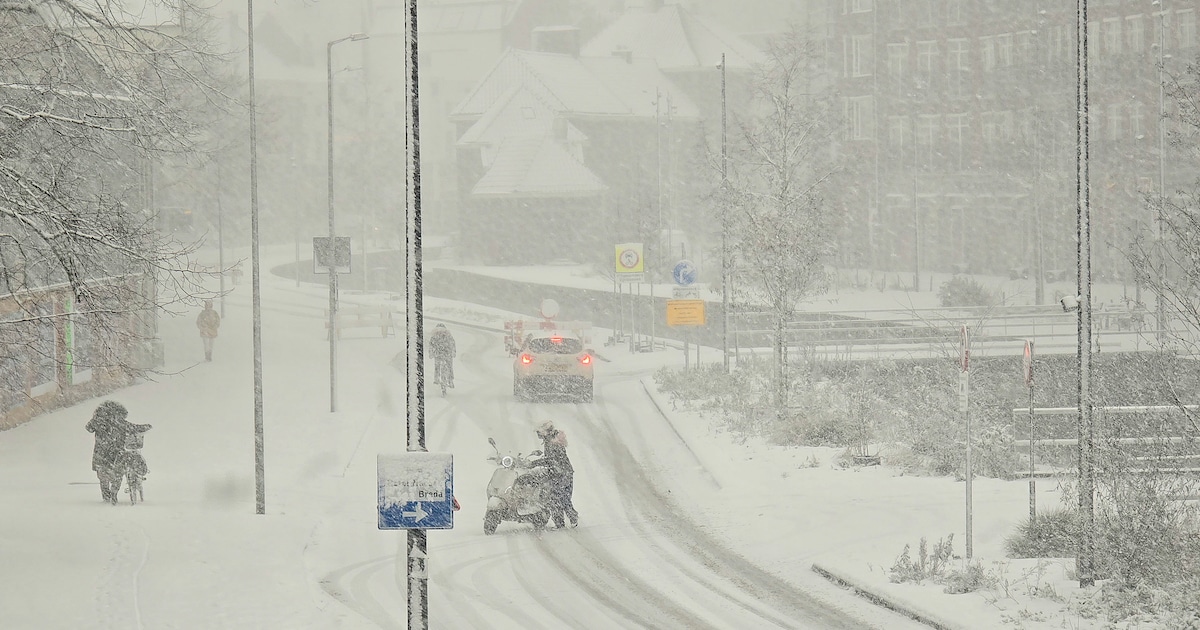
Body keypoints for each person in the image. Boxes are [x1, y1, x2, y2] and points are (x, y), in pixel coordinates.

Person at [85, 401, 150, 505]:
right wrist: (146, 427)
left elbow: (88, 428)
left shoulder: (98, 421)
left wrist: (97, 420)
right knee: (116, 474)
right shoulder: (118, 422)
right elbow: (132, 428)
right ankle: (113, 494)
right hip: (115, 454)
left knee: (103, 476)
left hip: (100, 453)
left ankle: (106, 496)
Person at [536, 421, 578, 528]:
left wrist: (533, 463)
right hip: (565, 472)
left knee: (555, 498)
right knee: (564, 498)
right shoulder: (553, 441)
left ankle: (561, 522)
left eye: (539, 432)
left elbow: (550, 460)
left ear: (545, 432)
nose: (538, 435)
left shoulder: (551, 443)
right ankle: (571, 518)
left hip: (559, 474)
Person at [429, 323, 456, 388]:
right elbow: (452, 344)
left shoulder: (435, 335)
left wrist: (431, 354)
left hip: (438, 353)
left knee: (437, 366)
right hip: (447, 353)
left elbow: (431, 345)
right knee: (449, 366)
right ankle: (450, 381)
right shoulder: (448, 335)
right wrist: (453, 352)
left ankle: (436, 379)